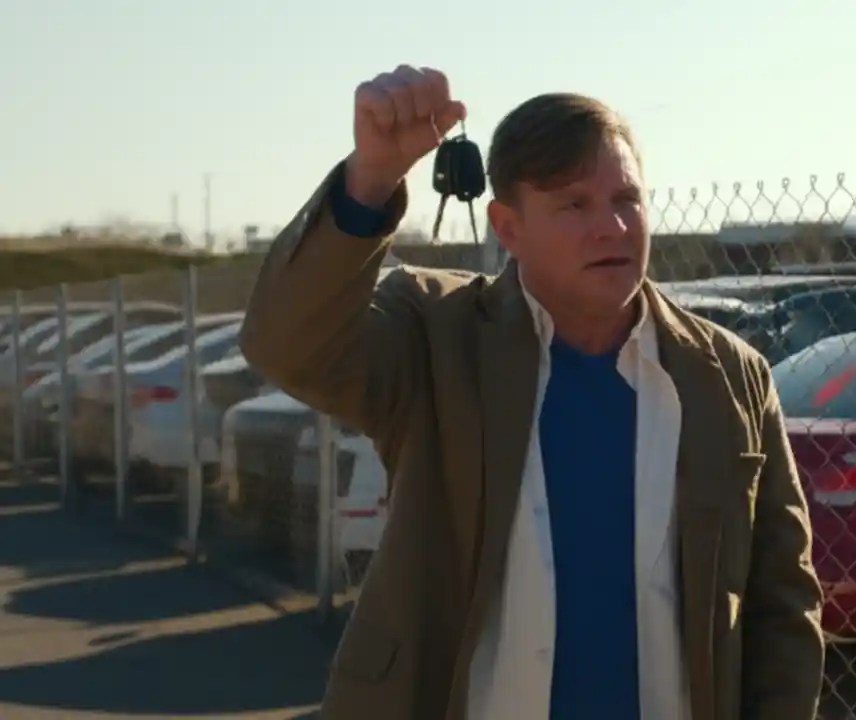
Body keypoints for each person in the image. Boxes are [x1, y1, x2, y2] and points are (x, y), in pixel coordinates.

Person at [239, 64, 824, 720]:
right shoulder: (439, 337)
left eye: (626, 199)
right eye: (574, 204)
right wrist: (371, 179)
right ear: (508, 228)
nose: (612, 227)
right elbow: (287, 345)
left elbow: (783, 602)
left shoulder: (728, 377)